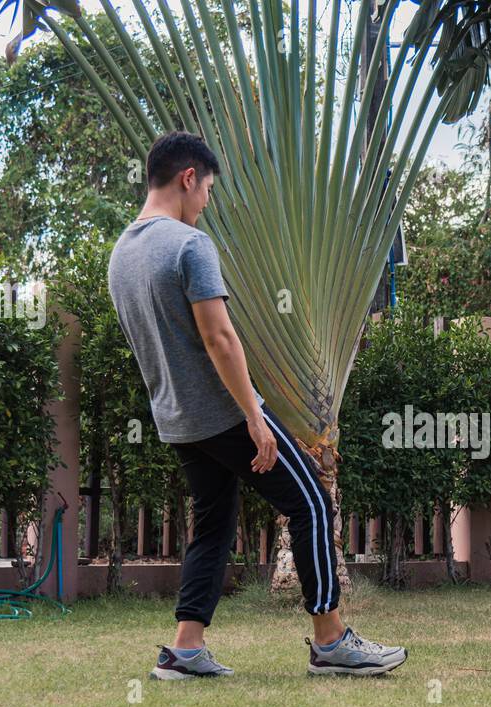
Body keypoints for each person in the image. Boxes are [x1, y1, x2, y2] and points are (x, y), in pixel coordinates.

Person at [107, 131, 406, 678]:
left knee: (214, 523)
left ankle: (186, 649)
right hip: (223, 413)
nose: (206, 204)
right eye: (208, 191)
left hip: (178, 420)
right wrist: (254, 416)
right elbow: (219, 338)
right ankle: (331, 640)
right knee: (312, 501)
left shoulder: (122, 253)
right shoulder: (188, 245)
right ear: (188, 178)